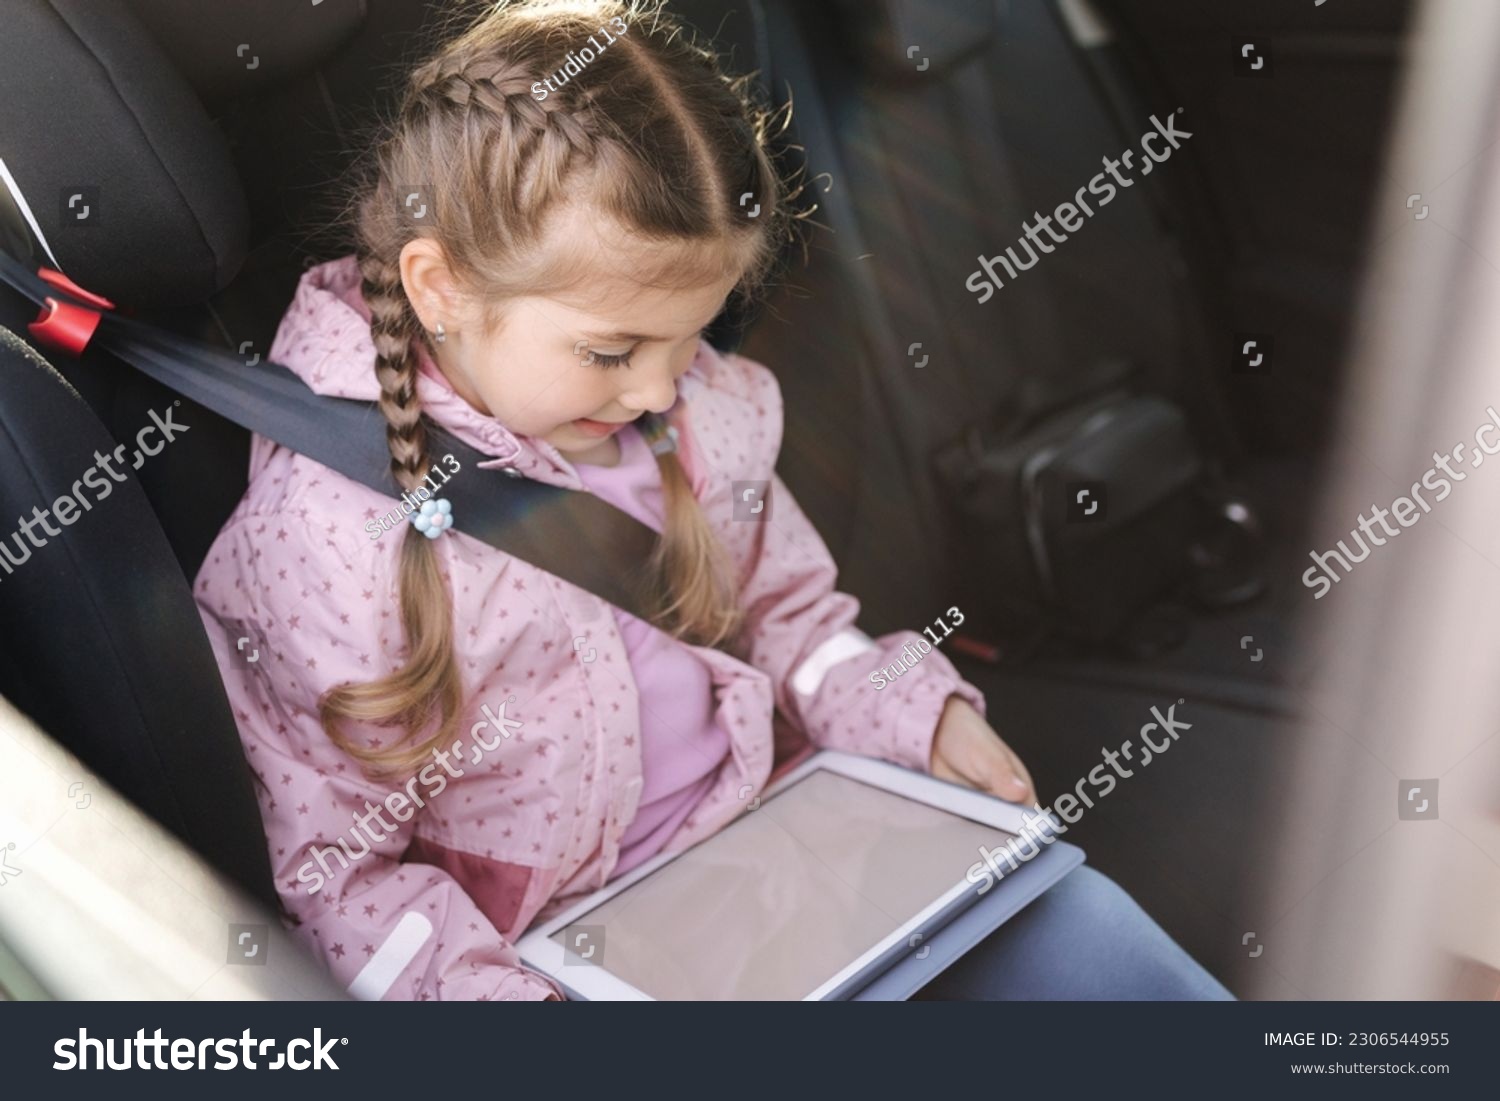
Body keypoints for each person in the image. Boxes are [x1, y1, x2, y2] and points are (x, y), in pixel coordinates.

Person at [193, 0, 1230, 1002]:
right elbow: (341, 877)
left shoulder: (701, 416)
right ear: (442, 289)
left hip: (782, 845)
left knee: (1087, 938)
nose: (657, 390)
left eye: (692, 336)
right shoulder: (322, 547)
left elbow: (791, 619)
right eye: (612, 351)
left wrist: (913, 713)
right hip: (567, 963)